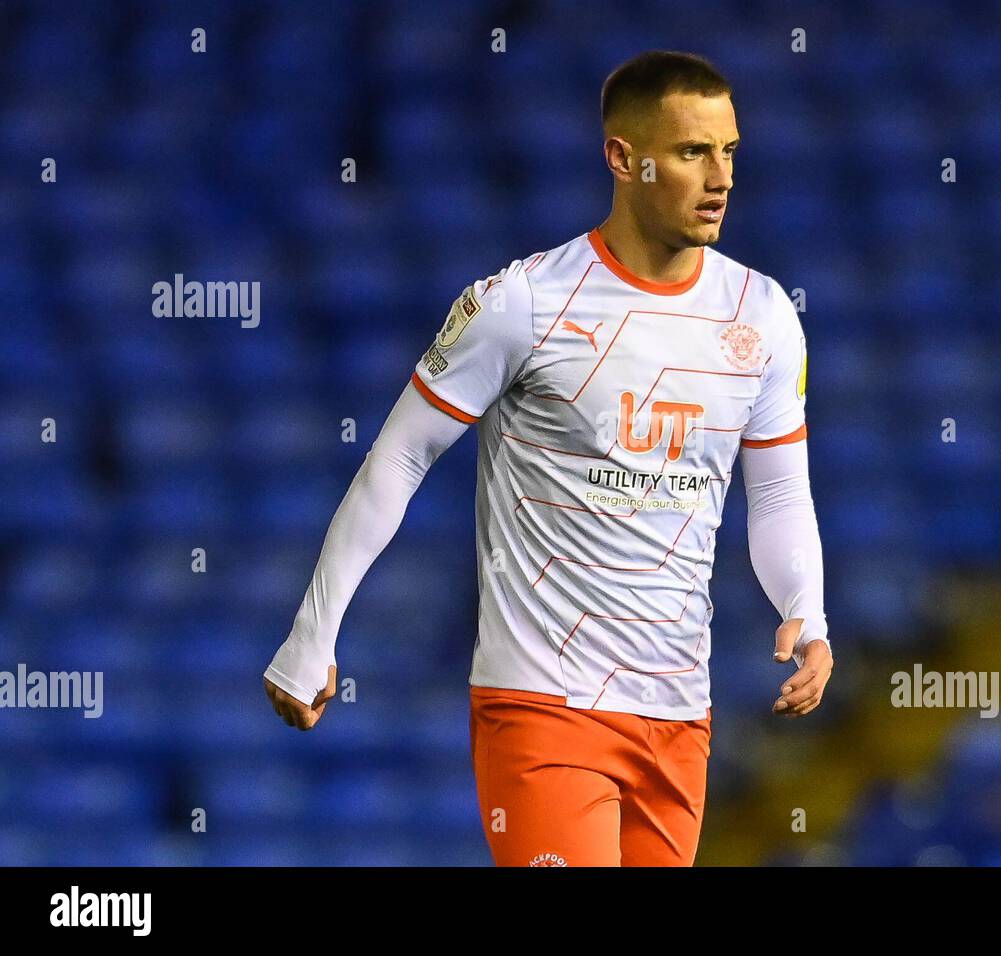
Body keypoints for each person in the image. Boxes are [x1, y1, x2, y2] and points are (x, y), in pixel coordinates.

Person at [263, 49, 831, 866]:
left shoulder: (765, 317)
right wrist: (314, 633)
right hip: (544, 702)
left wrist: (806, 614)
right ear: (621, 158)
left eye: (729, 151)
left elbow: (778, 496)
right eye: (690, 152)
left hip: (679, 711)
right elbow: (397, 460)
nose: (721, 177)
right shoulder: (524, 303)